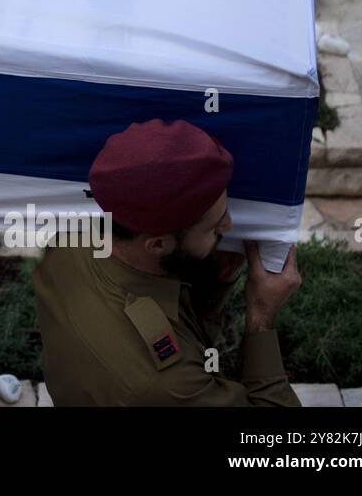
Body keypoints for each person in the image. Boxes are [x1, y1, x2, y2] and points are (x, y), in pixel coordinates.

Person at [34, 118, 302, 406]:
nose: (228, 225)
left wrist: (215, 284)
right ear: (158, 244)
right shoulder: (167, 384)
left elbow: (174, 322)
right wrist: (260, 314)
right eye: (213, 227)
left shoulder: (67, 245)